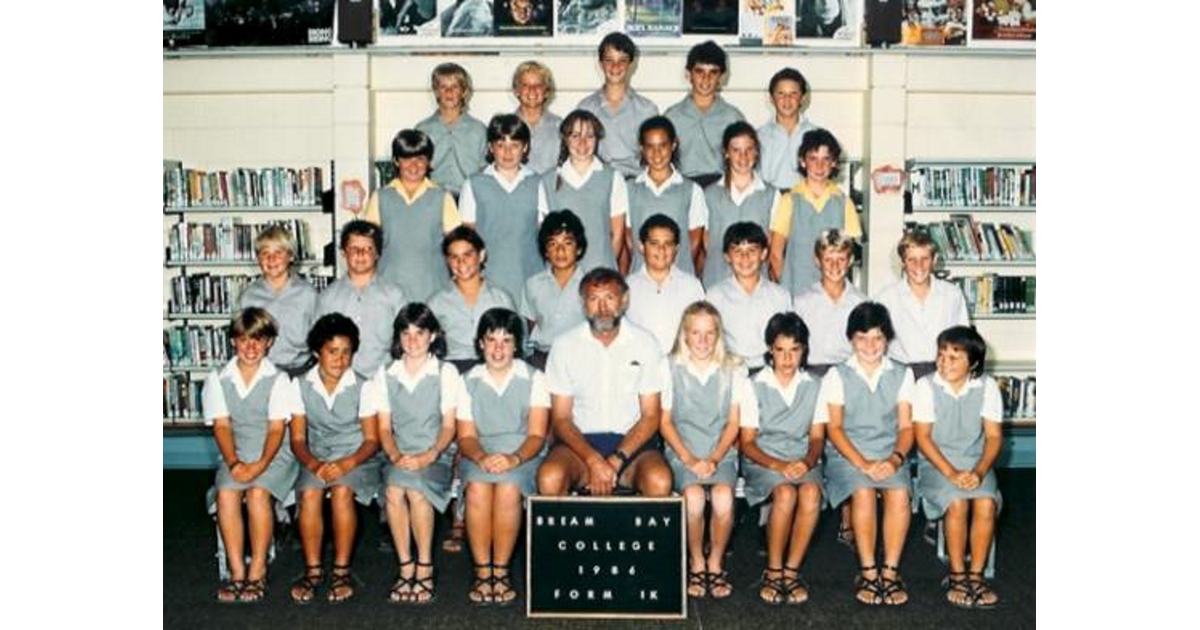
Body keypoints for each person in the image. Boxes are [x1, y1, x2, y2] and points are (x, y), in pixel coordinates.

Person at [537, 267, 673, 498]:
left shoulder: (645, 343)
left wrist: (616, 460)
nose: (602, 309)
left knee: (659, 481)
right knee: (550, 478)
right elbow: (560, 419)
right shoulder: (564, 346)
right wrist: (593, 460)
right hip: (579, 446)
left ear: (624, 300)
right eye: (594, 299)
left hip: (632, 448)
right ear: (583, 303)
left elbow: (651, 416)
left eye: (609, 298)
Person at [819, 301, 915, 606]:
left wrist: (895, 460)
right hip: (849, 455)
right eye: (862, 338)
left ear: (887, 338)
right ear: (851, 339)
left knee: (899, 494)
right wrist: (863, 464)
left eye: (877, 337)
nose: (870, 345)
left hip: (889, 452)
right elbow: (834, 429)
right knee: (862, 492)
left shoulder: (902, 374)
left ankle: (890, 572)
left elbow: (906, 428)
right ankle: (869, 572)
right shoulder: (837, 375)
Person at [369, 303, 465, 604]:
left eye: (420, 332)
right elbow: (384, 429)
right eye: (406, 333)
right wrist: (396, 455)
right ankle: (405, 566)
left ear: (433, 335)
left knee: (416, 490)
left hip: (436, 453)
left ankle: (424, 566)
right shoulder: (385, 373)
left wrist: (429, 455)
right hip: (398, 453)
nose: (412, 340)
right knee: (396, 488)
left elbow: (450, 426)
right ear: (398, 337)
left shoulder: (446, 372)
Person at [204, 307, 299, 603]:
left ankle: (257, 570)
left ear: (269, 342)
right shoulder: (218, 378)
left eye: (258, 340)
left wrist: (258, 466)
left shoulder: (279, 379)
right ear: (234, 341)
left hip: (274, 454)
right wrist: (234, 462)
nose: (250, 347)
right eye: (244, 339)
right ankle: (237, 572)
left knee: (258, 494)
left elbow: (275, 430)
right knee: (227, 494)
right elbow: (221, 426)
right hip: (236, 452)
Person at [457, 308, 551, 605]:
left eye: (506, 341)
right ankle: (483, 572)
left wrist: (513, 459)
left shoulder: (535, 378)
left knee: (509, 488)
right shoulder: (467, 380)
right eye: (491, 340)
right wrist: (482, 457)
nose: (498, 349)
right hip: (479, 452)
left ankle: (502, 570)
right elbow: (466, 437)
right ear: (481, 343)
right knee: (477, 489)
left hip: (523, 453)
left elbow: (537, 435)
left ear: (517, 345)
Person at [287, 313, 381, 604]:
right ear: (317, 352)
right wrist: (314, 465)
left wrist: (346, 464)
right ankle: (313, 570)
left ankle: (341, 570)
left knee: (341, 492)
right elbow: (298, 440)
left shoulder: (365, 385)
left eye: (346, 352)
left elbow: (371, 440)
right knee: (310, 493)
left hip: (357, 457)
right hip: (316, 456)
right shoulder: (300, 385)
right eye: (332, 351)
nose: (340, 360)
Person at [659, 301, 750, 599]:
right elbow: (665, 422)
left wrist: (713, 459)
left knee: (724, 498)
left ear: (718, 334)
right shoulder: (669, 366)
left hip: (719, 451)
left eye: (710, 333)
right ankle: (697, 560)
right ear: (684, 335)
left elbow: (734, 423)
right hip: (682, 451)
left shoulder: (733, 368)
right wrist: (689, 460)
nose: (703, 341)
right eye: (695, 333)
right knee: (695, 499)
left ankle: (715, 561)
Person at [913, 325, 1002, 609]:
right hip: (937, 465)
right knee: (958, 503)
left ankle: (976, 576)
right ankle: (957, 575)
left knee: (986, 503)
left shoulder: (987, 386)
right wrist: (951, 473)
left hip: (976, 463)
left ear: (973, 363)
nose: (944, 363)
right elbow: (923, 438)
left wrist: (978, 471)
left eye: (954, 357)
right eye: (941, 355)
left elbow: (993, 437)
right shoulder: (925, 386)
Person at [740, 312, 824, 604]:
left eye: (795, 350)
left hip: (802, 459)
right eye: (780, 350)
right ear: (769, 350)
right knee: (786, 494)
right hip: (764, 460)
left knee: (811, 493)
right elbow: (747, 443)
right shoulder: (752, 384)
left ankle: (792, 571)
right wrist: (778, 466)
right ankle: (773, 571)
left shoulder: (815, 385)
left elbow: (816, 438)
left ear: (804, 350)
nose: (787, 359)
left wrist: (807, 462)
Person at [366, 128, 463, 303]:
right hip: (389, 291)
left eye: (420, 159)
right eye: (406, 159)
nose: (414, 165)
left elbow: (456, 247)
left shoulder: (442, 197)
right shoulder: (381, 197)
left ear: (429, 161)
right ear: (396, 161)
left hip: (433, 290)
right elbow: (369, 246)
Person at [458, 114, 548, 299]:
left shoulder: (538, 183)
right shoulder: (474, 184)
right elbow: (468, 238)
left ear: (525, 147)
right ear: (491, 147)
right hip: (489, 278)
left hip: (529, 276)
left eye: (514, 145)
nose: (507, 153)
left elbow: (544, 235)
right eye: (501, 145)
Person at [768, 127, 863, 296]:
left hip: (832, 295)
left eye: (826, 159)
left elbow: (848, 257)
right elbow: (775, 254)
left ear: (834, 163)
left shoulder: (844, 203)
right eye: (813, 158)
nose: (819, 166)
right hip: (796, 291)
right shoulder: (789, 200)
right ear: (803, 161)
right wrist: (786, 289)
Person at [874, 230, 970, 379]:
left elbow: (963, 342)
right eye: (911, 260)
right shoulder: (887, 298)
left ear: (934, 259)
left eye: (925, 259)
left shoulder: (952, 295)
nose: (919, 265)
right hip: (899, 375)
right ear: (902, 262)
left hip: (942, 374)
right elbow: (876, 344)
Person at [316, 220, 407, 377]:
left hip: (383, 379)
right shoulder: (328, 297)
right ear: (343, 252)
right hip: (341, 381)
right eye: (354, 248)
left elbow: (406, 340)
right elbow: (317, 344)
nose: (360, 254)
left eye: (368, 248)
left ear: (378, 253)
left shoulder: (394, 295)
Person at [542, 109, 628, 274]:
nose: (582, 143)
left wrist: (604, 272)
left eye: (589, 136)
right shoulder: (548, 181)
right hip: (562, 275)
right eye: (575, 136)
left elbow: (617, 234)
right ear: (565, 139)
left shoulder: (612, 178)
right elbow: (545, 235)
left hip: (600, 271)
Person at [701, 121, 782, 289]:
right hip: (717, 282)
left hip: (758, 286)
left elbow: (773, 245)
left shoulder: (771, 195)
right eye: (736, 150)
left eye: (749, 150)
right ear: (726, 153)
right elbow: (706, 243)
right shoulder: (709, 194)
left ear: (756, 152)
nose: (743, 157)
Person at [626, 116, 708, 276]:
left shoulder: (691, 189)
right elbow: (630, 239)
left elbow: (695, 241)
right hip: (641, 277)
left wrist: (671, 268)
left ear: (673, 145)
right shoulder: (630, 189)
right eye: (650, 146)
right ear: (642, 148)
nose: (657, 153)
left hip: (680, 276)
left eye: (663, 145)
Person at [429, 226, 517, 375]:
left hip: (493, 368)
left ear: (481, 255)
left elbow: (515, 343)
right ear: (447, 261)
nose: (461, 262)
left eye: (467, 255)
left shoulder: (502, 299)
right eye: (454, 257)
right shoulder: (436, 303)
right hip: (453, 371)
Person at [706, 222, 792, 372]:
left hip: (771, 371)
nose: (745, 257)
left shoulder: (780, 295)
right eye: (737, 251)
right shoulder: (715, 296)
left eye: (752, 250)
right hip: (730, 371)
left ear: (764, 254)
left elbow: (788, 341)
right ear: (727, 256)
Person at [576, 32, 660, 178]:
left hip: (633, 182)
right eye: (609, 60)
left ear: (631, 64)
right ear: (601, 63)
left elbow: (652, 156)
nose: (615, 66)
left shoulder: (647, 109)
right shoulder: (585, 107)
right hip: (597, 181)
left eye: (622, 60)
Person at [237, 225, 318, 375]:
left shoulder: (308, 293)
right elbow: (243, 339)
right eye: (264, 253)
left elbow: (320, 338)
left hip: (302, 370)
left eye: (278, 253)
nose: (271, 259)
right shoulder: (249, 296)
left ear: (291, 256)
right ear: (258, 259)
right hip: (264, 371)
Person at [663, 41, 745, 188]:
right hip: (682, 188)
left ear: (722, 76)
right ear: (688, 74)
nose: (706, 79)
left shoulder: (733, 118)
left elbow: (743, 161)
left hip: (721, 188)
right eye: (699, 71)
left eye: (713, 72)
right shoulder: (672, 117)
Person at [625, 213, 706, 355]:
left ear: (676, 248)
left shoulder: (692, 286)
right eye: (654, 243)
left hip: (681, 365)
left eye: (668, 244)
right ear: (641, 247)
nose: (661, 250)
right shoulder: (628, 287)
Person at [519, 209, 588, 369]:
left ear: (578, 248)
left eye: (567, 243)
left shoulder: (590, 285)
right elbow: (531, 325)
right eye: (553, 244)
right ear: (545, 251)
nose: (560, 250)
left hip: (580, 359)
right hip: (542, 359)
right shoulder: (533, 285)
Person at [792, 228, 865, 375]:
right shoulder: (802, 303)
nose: (835, 266)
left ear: (850, 260)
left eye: (841, 259)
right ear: (818, 261)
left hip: (849, 374)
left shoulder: (861, 303)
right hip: (812, 373)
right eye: (828, 260)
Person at [416, 63, 488, 197]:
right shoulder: (423, 129)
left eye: (455, 87)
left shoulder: (479, 130)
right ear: (436, 91)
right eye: (443, 87)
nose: (449, 92)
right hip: (432, 198)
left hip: (469, 199)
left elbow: (485, 170)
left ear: (464, 91)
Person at [758, 67, 818, 191]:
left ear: (803, 98)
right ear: (771, 98)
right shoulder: (759, 136)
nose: (787, 99)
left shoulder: (815, 135)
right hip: (769, 204)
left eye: (793, 94)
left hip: (805, 202)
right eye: (781, 94)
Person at [512, 61, 562, 175]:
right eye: (525, 85)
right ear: (516, 91)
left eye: (538, 85)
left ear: (546, 91)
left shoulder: (560, 126)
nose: (532, 90)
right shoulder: (505, 127)